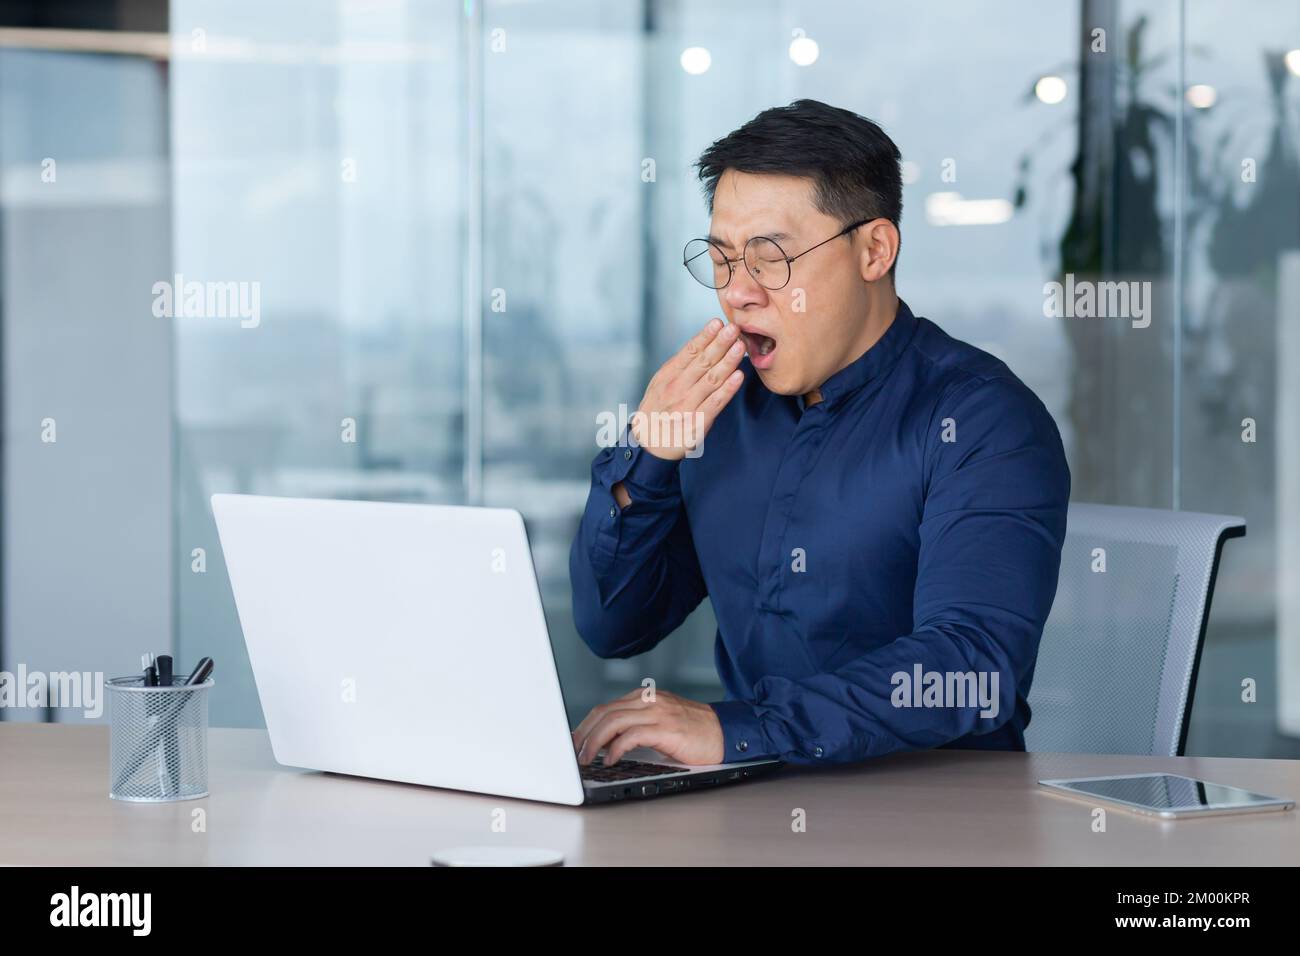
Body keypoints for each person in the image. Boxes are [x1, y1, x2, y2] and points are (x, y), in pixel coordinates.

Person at [569, 99, 1070, 768]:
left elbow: (970, 665)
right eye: (721, 259)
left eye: (769, 259)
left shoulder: (983, 421)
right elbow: (616, 627)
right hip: (755, 803)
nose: (738, 293)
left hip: (942, 817)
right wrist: (650, 456)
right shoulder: (723, 412)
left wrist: (741, 731)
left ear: (874, 250)